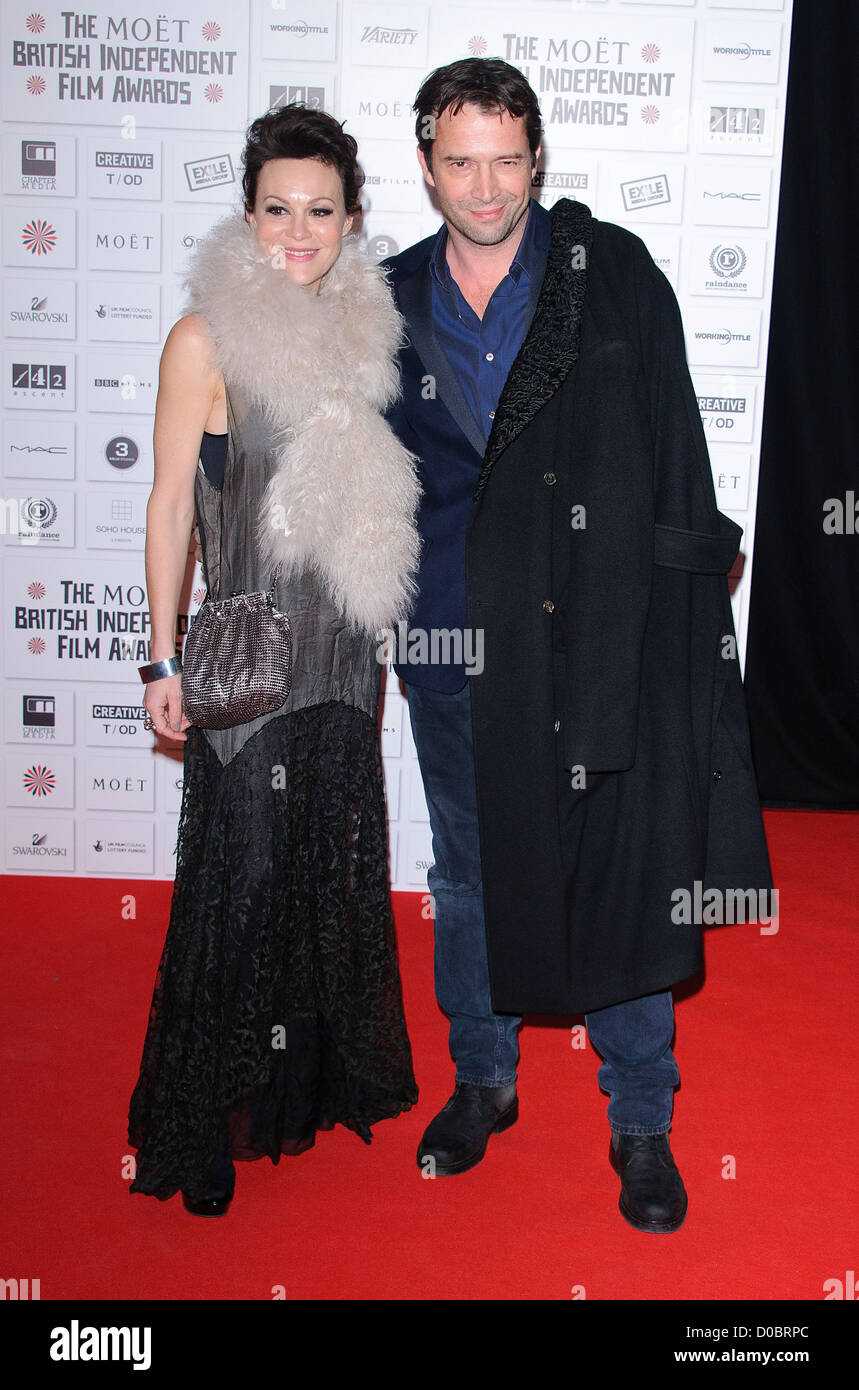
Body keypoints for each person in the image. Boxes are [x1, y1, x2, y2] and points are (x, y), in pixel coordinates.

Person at [382, 59, 772, 1233]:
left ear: (537, 157)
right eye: (461, 160)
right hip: (451, 634)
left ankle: (640, 1116)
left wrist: (679, 611)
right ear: (427, 164)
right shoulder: (385, 296)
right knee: (466, 867)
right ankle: (485, 1081)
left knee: (624, 864)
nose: (486, 185)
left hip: (595, 626)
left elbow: (671, 446)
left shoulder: (611, 275)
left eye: (507, 158)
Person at [128, 104, 421, 1216]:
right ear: (246, 213)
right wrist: (158, 658)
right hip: (250, 658)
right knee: (239, 883)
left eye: (320, 211)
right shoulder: (205, 340)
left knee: (320, 870)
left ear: (351, 220)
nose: (296, 233)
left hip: (344, 656)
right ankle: (202, 1114)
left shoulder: (367, 336)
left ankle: (292, 1088)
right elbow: (169, 511)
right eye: (275, 210)